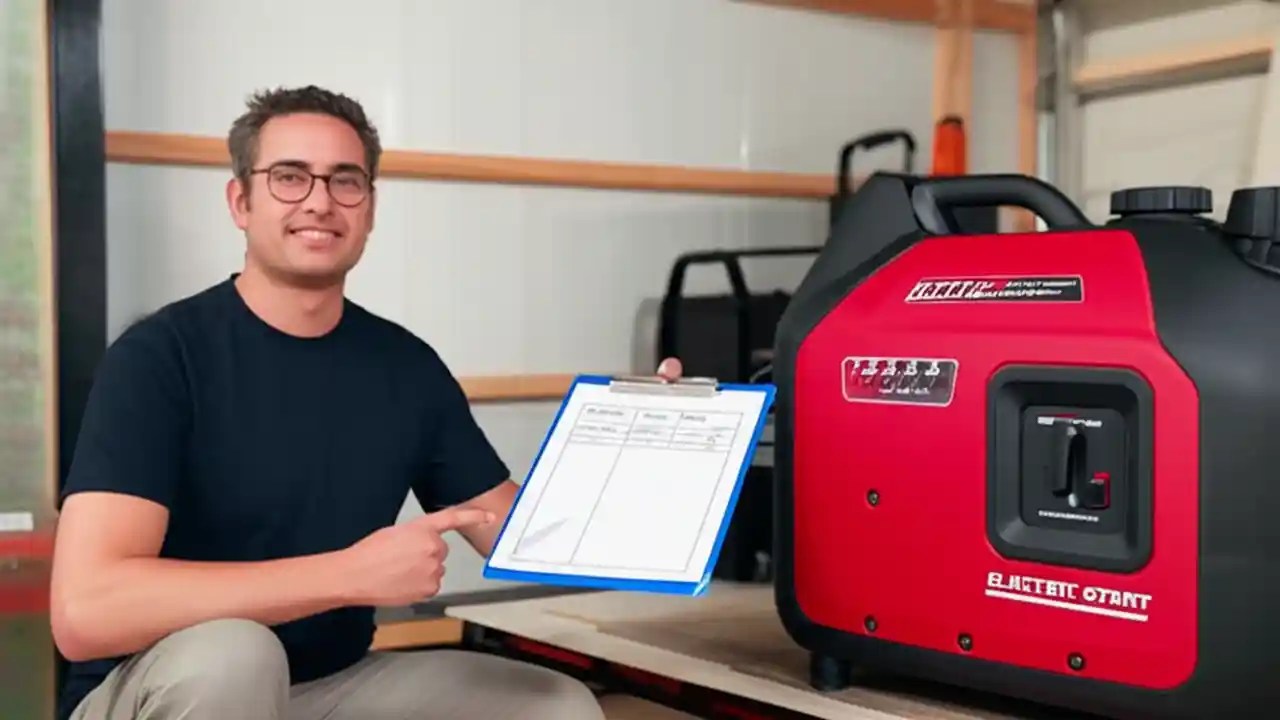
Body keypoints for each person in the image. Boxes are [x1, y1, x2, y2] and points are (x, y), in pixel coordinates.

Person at [50, 84, 685, 720]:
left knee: (555, 706)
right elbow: (86, 611)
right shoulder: (160, 358)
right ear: (240, 200)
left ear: (370, 209)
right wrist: (348, 575)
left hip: (328, 687)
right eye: (290, 177)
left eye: (346, 181)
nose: (321, 201)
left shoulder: (404, 367)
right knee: (238, 656)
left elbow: (522, 535)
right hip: (165, 684)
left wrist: (650, 445)